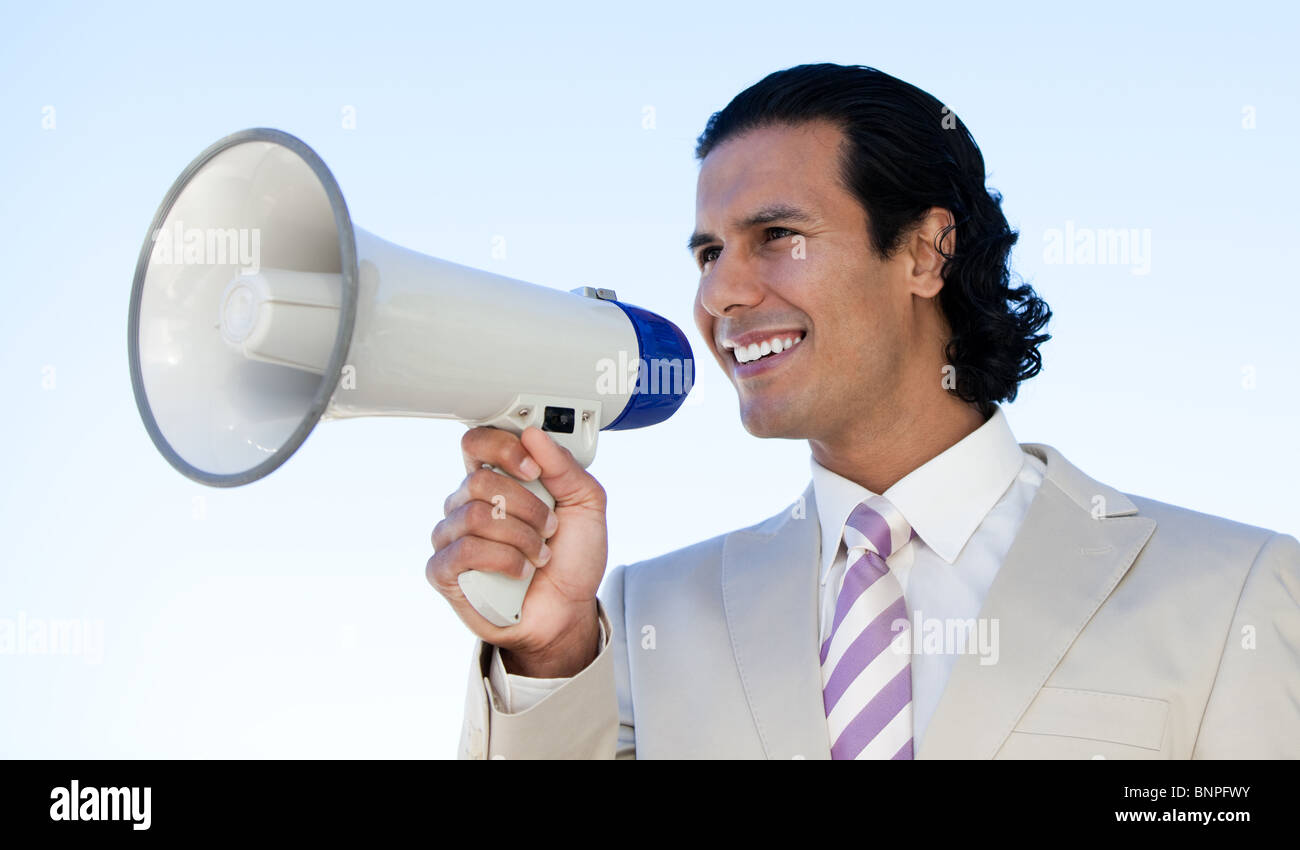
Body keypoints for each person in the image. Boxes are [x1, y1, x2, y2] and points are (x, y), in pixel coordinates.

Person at [426, 63, 1300, 759]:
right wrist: (548, 652)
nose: (721, 293)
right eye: (707, 252)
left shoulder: (1231, 593)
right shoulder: (646, 616)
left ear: (924, 252)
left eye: (777, 236)